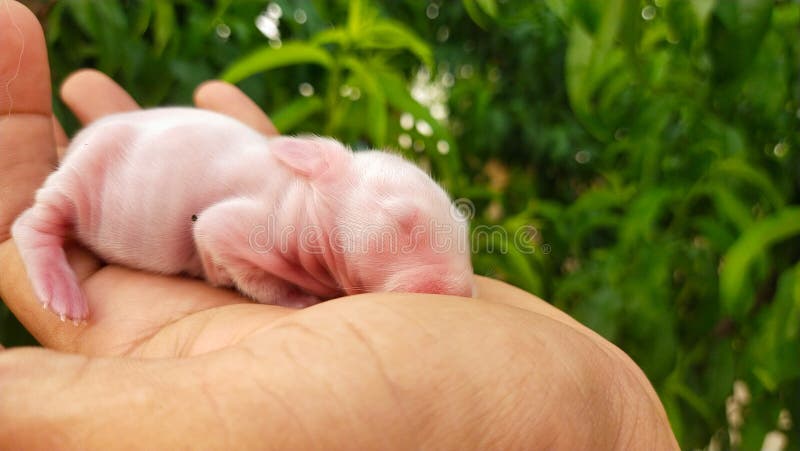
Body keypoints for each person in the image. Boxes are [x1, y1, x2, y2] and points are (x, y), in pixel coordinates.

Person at [0, 1, 678, 448]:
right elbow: (213, 234)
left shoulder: (324, 215)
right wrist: (284, 294)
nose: (452, 283)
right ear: (319, 171)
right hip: (119, 168)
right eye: (408, 232)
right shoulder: (286, 208)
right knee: (61, 198)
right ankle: (41, 230)